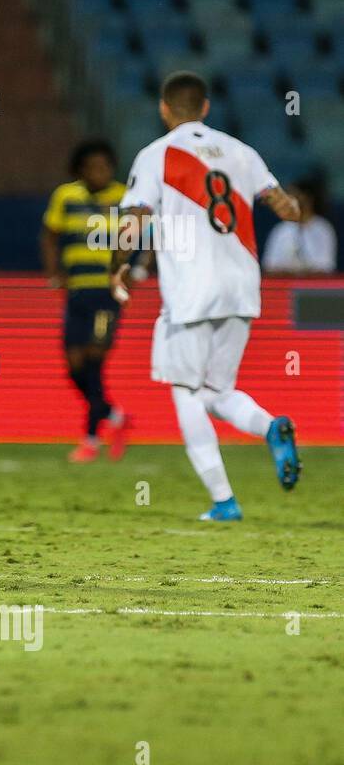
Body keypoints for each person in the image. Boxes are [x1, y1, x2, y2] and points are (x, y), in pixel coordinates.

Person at [113, 71, 302, 521]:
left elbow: (135, 216)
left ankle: (224, 501)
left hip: (191, 290)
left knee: (185, 391)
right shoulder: (242, 152)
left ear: (164, 108)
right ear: (205, 108)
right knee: (217, 390)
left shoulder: (156, 155)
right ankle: (271, 427)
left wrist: (117, 265)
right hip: (241, 286)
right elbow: (288, 209)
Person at [41, 139, 131, 462]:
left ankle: (91, 439)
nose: (99, 173)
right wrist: (55, 273)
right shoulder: (66, 196)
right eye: (92, 167)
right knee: (74, 367)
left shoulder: (124, 197)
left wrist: (133, 272)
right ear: (80, 170)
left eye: (105, 167)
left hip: (107, 294)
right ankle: (115, 416)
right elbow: (50, 235)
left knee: (95, 361)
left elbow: (143, 236)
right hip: (77, 290)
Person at [262, 178, 336, 275]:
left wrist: (301, 273)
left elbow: (326, 267)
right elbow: (269, 266)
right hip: (284, 286)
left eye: (295, 196)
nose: (290, 200)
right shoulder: (281, 230)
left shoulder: (323, 229)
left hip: (314, 288)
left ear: (308, 198)